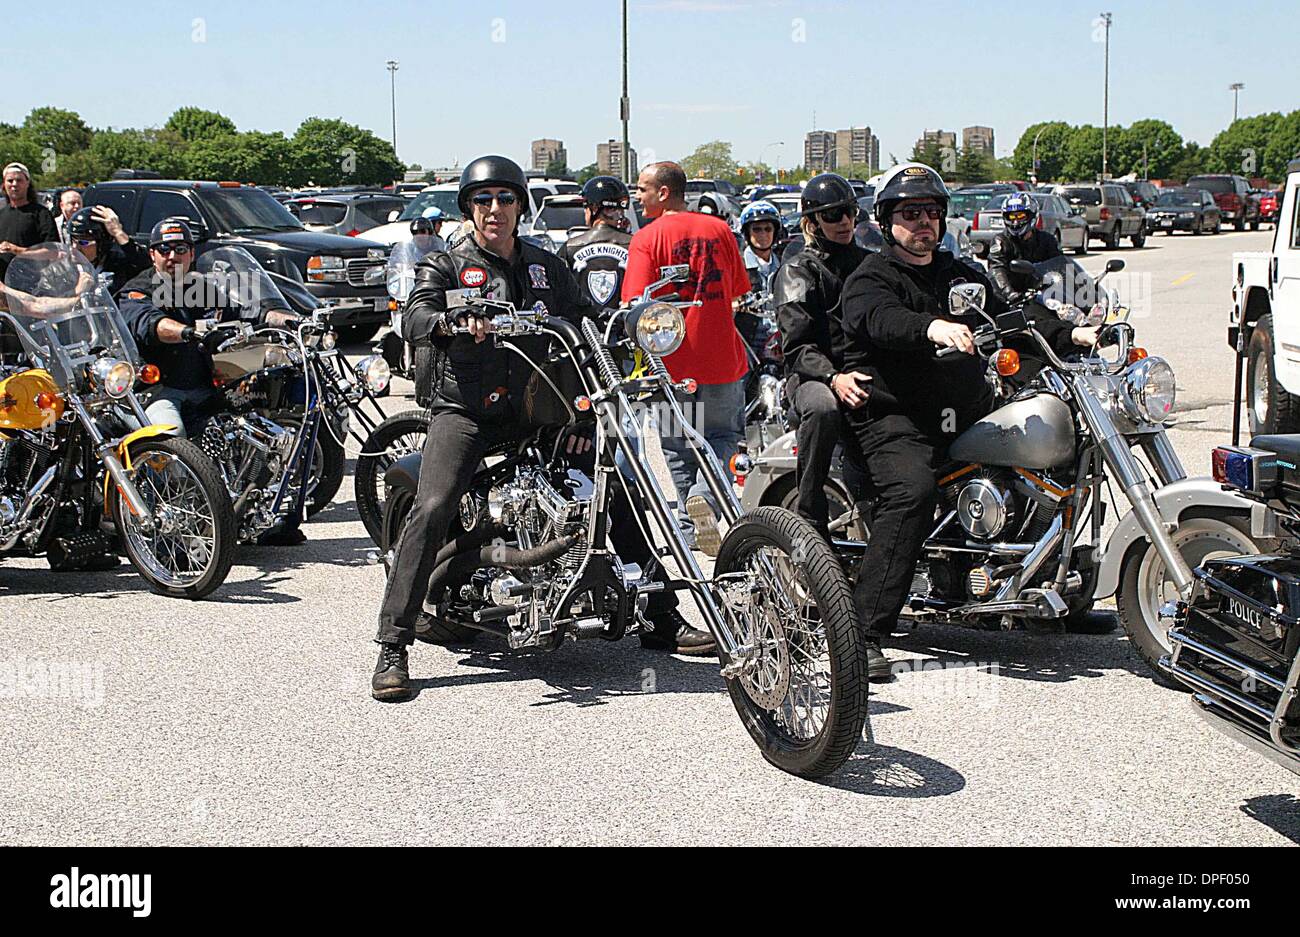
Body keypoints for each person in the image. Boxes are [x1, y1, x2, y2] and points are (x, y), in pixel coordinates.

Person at [372, 155, 712, 703]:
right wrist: (449, 321)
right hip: (466, 411)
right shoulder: (446, 266)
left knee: (617, 487)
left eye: (506, 199)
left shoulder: (547, 267)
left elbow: (584, 332)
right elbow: (414, 316)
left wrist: (582, 412)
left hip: (537, 412)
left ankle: (661, 616)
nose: (495, 209)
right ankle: (393, 641)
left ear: (519, 207)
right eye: (483, 200)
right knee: (434, 506)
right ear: (469, 209)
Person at [834, 163, 1099, 681]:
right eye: (910, 214)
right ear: (887, 221)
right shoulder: (871, 277)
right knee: (911, 492)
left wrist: (1074, 336)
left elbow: (1015, 318)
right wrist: (931, 325)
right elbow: (879, 320)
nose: (923, 223)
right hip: (895, 417)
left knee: (1059, 457)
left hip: (964, 411)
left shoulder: (959, 273)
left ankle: (1054, 593)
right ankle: (863, 633)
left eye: (931, 212)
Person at [622, 161, 751, 557]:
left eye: (643, 189)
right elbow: (739, 291)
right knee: (725, 437)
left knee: (677, 445)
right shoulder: (719, 230)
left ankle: (686, 520)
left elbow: (633, 304)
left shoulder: (647, 238)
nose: (637, 196)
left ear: (664, 192)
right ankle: (705, 499)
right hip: (721, 360)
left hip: (670, 367)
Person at [774, 173, 870, 539]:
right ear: (812, 222)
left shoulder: (869, 263)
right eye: (832, 216)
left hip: (861, 370)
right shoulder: (798, 270)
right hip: (814, 376)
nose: (844, 222)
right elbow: (798, 346)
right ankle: (809, 513)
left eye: (848, 212)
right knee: (824, 408)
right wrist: (834, 377)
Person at [559, 175, 631, 311]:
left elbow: (559, 291)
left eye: (586, 207)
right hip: (624, 326)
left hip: (583, 328)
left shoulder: (570, 247)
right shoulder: (635, 245)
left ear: (594, 208)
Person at [987, 192, 1061, 299]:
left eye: (1020, 216)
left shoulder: (1047, 240)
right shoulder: (1001, 241)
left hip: (1041, 294)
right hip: (1010, 298)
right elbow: (996, 269)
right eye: (1012, 217)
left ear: (1032, 215)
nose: (1016, 221)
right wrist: (1009, 293)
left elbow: (1060, 263)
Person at [66, 206, 150, 296]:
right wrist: (76, 292)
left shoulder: (120, 265)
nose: (75, 248)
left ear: (102, 243)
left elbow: (147, 266)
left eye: (83, 242)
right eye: (72, 241)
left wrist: (118, 232)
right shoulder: (65, 269)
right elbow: (54, 301)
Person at [0, 163, 58, 279]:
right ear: (4, 185)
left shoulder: (42, 214)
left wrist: (17, 250)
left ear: (27, 183)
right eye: (10, 181)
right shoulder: (1, 214)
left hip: (32, 284)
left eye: (19, 180)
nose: (14, 184)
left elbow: (52, 252)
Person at [738, 200, 784, 293]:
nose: (763, 235)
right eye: (756, 229)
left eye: (768, 229)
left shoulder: (784, 264)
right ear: (747, 233)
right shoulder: (737, 266)